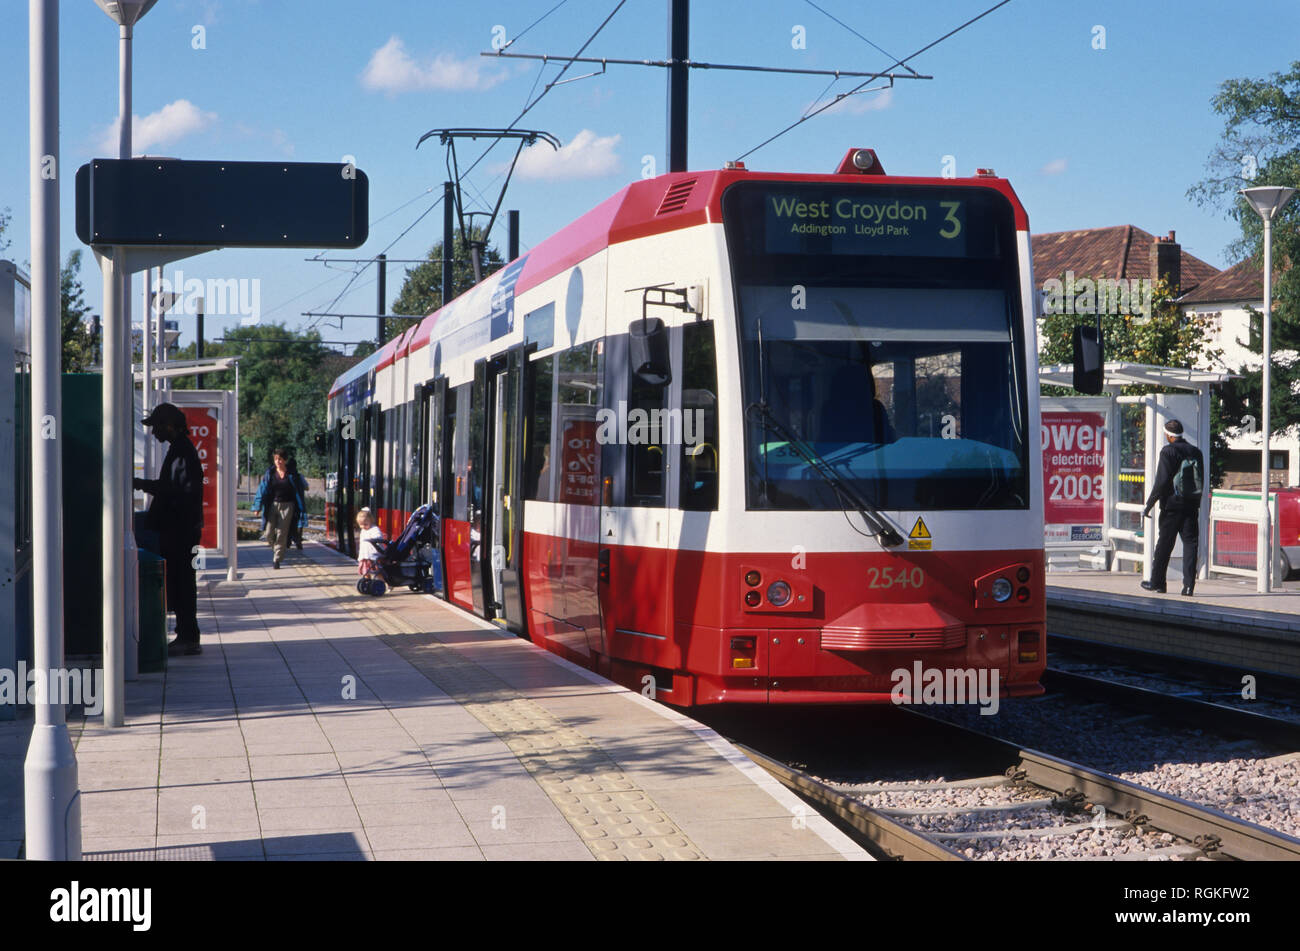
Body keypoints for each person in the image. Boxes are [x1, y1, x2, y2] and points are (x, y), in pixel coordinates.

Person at [133, 402, 204, 656]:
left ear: (169, 425)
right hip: (181, 529)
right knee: (180, 581)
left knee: (183, 582)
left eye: (157, 427)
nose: (154, 433)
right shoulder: (180, 450)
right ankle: (186, 635)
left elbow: (174, 490)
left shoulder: (182, 452)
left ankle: (188, 636)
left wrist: (141, 484)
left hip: (181, 531)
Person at [1142, 418, 1204, 595]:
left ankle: (1158, 583)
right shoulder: (1196, 452)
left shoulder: (1168, 452)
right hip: (1191, 505)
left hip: (1171, 505)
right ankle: (1189, 586)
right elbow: (1201, 480)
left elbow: (1161, 481)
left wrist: (1149, 504)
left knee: (1164, 544)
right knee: (1191, 544)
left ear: (1169, 435)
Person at [253, 448, 307, 569]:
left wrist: (301, 509)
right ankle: (277, 549)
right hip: (272, 505)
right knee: (268, 533)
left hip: (288, 506)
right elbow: (261, 491)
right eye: (276, 459)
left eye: (280, 459)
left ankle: (276, 559)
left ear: (285, 460)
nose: (278, 461)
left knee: (282, 533)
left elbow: (300, 490)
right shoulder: (270, 474)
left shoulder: (292, 475)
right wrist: (257, 506)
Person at [286, 457, 311, 551]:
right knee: (299, 523)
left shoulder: (286, 476)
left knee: (288, 522)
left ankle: (288, 541)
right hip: (299, 504)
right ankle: (298, 541)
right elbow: (307, 488)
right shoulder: (299, 476)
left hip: (288, 503)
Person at [356, 507, 385, 580]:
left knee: (378, 571)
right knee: (365, 571)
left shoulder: (374, 529)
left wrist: (375, 538)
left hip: (373, 556)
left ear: (371, 521)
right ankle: (367, 581)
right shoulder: (363, 530)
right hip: (364, 555)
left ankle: (381, 581)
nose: (363, 526)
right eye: (361, 524)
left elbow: (379, 536)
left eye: (365, 524)